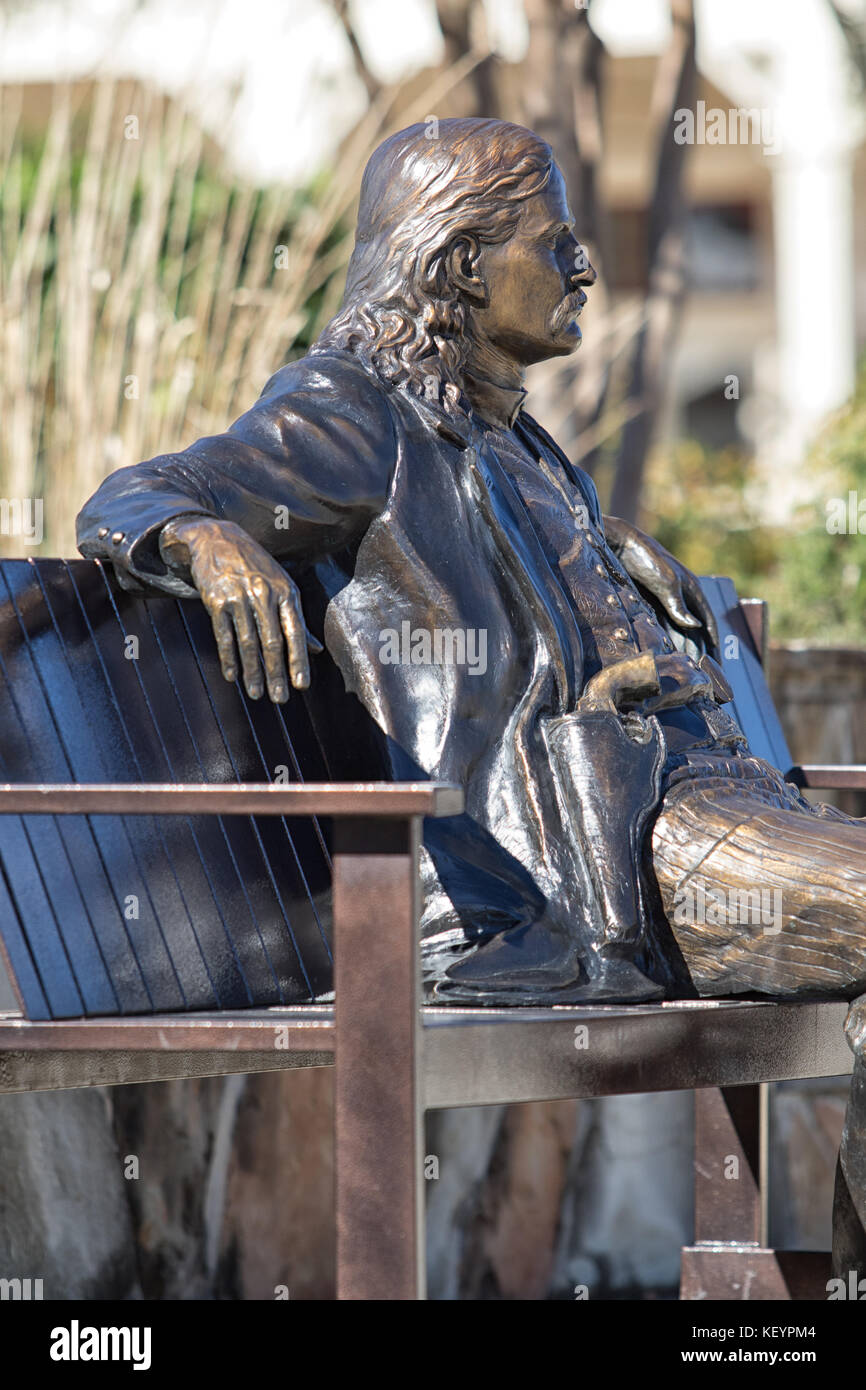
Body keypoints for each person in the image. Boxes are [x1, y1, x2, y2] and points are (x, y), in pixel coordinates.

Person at [77, 118, 866, 1005]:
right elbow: (147, 490)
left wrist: (601, 543)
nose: (586, 270)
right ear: (462, 266)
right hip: (602, 864)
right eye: (556, 243)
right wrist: (199, 536)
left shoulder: (510, 433)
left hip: (706, 811)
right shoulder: (355, 411)